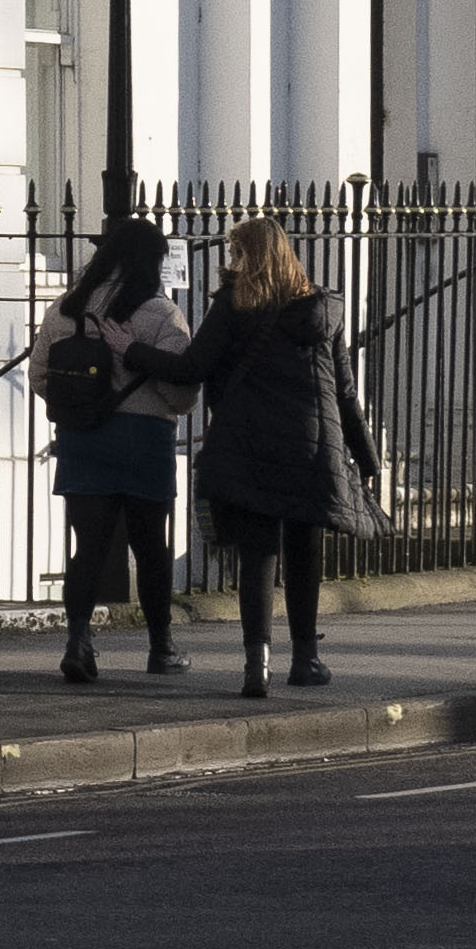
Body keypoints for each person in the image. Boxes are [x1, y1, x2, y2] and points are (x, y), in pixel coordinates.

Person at [174, 212, 381, 697]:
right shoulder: (323, 311)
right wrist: (367, 457)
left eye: (236, 252)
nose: (231, 261)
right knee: (305, 550)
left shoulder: (232, 306)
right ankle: (306, 659)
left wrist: (132, 352)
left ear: (251, 256)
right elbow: (345, 393)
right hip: (311, 446)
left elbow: (192, 367)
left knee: (258, 553)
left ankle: (257, 665)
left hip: (250, 445)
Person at [34, 214, 193, 685]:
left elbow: (40, 376)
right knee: (151, 548)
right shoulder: (162, 314)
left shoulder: (65, 309)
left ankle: (78, 641)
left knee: (88, 547)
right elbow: (183, 393)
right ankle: (161, 647)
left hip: (84, 438)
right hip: (144, 440)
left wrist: (84, 404)